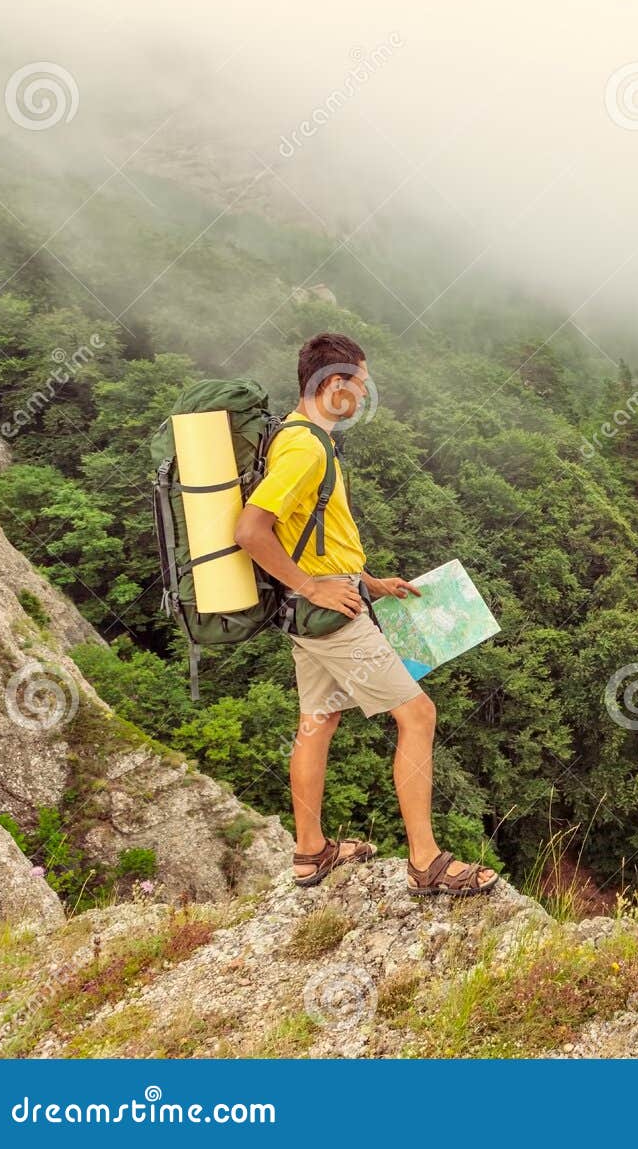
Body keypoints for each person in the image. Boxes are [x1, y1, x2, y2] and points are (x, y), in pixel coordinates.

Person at [235, 332, 498, 897]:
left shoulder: (298, 437)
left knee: (318, 721)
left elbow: (310, 532)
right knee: (418, 715)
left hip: (318, 608)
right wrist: (315, 587)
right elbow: (251, 531)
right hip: (330, 613)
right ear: (333, 385)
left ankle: (310, 852)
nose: (364, 394)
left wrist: (367, 580)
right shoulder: (306, 448)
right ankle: (425, 862)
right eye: (360, 383)